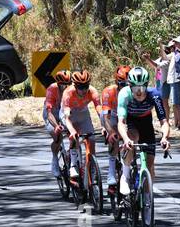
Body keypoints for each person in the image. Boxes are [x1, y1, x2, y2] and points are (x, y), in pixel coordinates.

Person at [116, 66, 170, 196]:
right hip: (131, 121)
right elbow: (121, 122)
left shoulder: (155, 95)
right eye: (135, 88)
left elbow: (164, 121)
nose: (139, 92)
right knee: (132, 140)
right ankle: (125, 174)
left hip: (146, 123)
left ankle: (146, 199)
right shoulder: (124, 94)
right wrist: (126, 139)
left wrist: (164, 137)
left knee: (150, 166)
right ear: (130, 86)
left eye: (142, 88)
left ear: (147, 85)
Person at [61, 70, 102, 190]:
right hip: (69, 114)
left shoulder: (93, 91)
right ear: (75, 85)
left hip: (83, 113)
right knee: (74, 137)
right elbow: (67, 118)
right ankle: (73, 165)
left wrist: (105, 126)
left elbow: (100, 111)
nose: (84, 90)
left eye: (86, 86)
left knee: (92, 139)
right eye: (80, 87)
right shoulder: (68, 93)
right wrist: (72, 131)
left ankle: (91, 170)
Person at [99, 66, 130, 194]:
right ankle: (111, 175)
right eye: (123, 85)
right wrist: (110, 131)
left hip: (126, 115)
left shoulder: (134, 92)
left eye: (129, 85)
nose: (126, 88)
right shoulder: (108, 92)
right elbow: (106, 117)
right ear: (117, 83)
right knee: (114, 139)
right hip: (111, 115)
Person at [43, 68, 72, 179]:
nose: (66, 87)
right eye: (63, 85)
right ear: (58, 84)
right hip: (52, 112)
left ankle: (72, 155)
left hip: (65, 111)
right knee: (58, 136)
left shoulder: (72, 90)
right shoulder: (52, 89)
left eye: (68, 84)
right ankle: (55, 159)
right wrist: (56, 126)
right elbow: (49, 114)